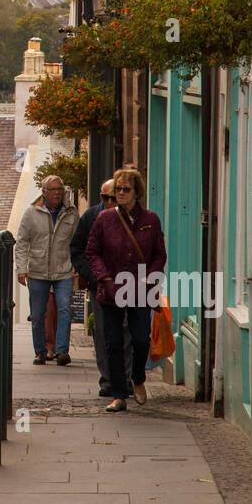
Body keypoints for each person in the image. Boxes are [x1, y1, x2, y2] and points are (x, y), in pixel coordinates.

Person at [85, 166, 167, 413]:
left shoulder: (150, 220)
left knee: (141, 339)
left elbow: (159, 255)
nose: (120, 193)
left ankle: (138, 377)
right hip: (111, 290)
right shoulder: (105, 219)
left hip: (139, 290)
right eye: (117, 189)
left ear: (136, 192)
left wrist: (148, 278)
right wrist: (105, 277)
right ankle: (119, 394)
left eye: (125, 189)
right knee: (112, 342)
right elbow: (92, 251)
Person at [70, 178, 132, 397]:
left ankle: (124, 379)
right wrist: (93, 275)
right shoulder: (90, 217)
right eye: (103, 197)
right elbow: (77, 249)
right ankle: (108, 381)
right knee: (104, 333)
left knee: (126, 332)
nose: (107, 201)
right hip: (101, 286)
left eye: (112, 198)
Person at [14, 175, 80, 366]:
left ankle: (61, 351)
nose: (58, 193)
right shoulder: (31, 213)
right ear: (44, 192)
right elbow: (22, 242)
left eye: (60, 189)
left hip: (63, 270)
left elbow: (76, 241)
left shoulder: (71, 212)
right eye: (53, 190)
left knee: (65, 308)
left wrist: (76, 263)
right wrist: (21, 269)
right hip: (37, 271)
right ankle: (41, 351)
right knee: (37, 313)